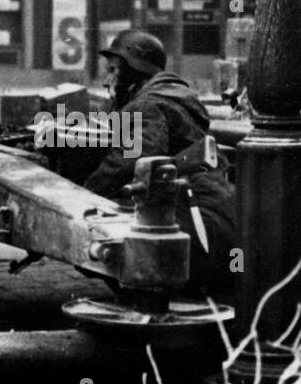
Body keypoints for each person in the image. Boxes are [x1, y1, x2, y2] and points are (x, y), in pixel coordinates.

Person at [83, 30, 236, 297]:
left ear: (134, 70)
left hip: (191, 217)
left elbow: (129, 160)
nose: (108, 80)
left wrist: (85, 194)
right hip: (218, 212)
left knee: (101, 236)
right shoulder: (172, 97)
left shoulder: (144, 105)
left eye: (113, 71)